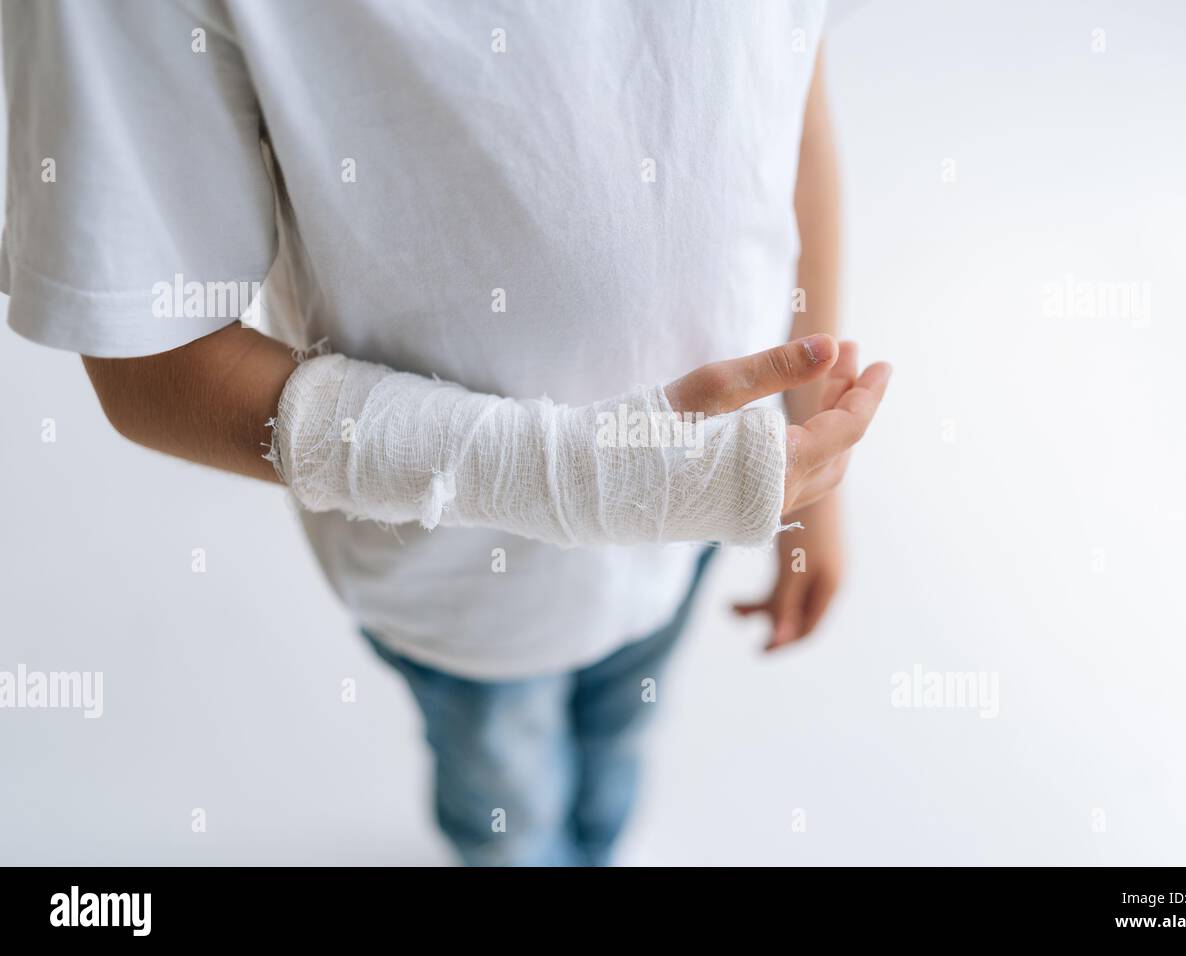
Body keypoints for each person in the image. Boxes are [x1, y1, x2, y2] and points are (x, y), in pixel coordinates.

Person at [1, 0, 890, 866]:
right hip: (463, 589)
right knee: (507, 817)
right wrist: (581, 478)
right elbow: (149, 361)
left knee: (620, 740)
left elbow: (786, 85)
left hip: (701, 522)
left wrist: (811, 467)